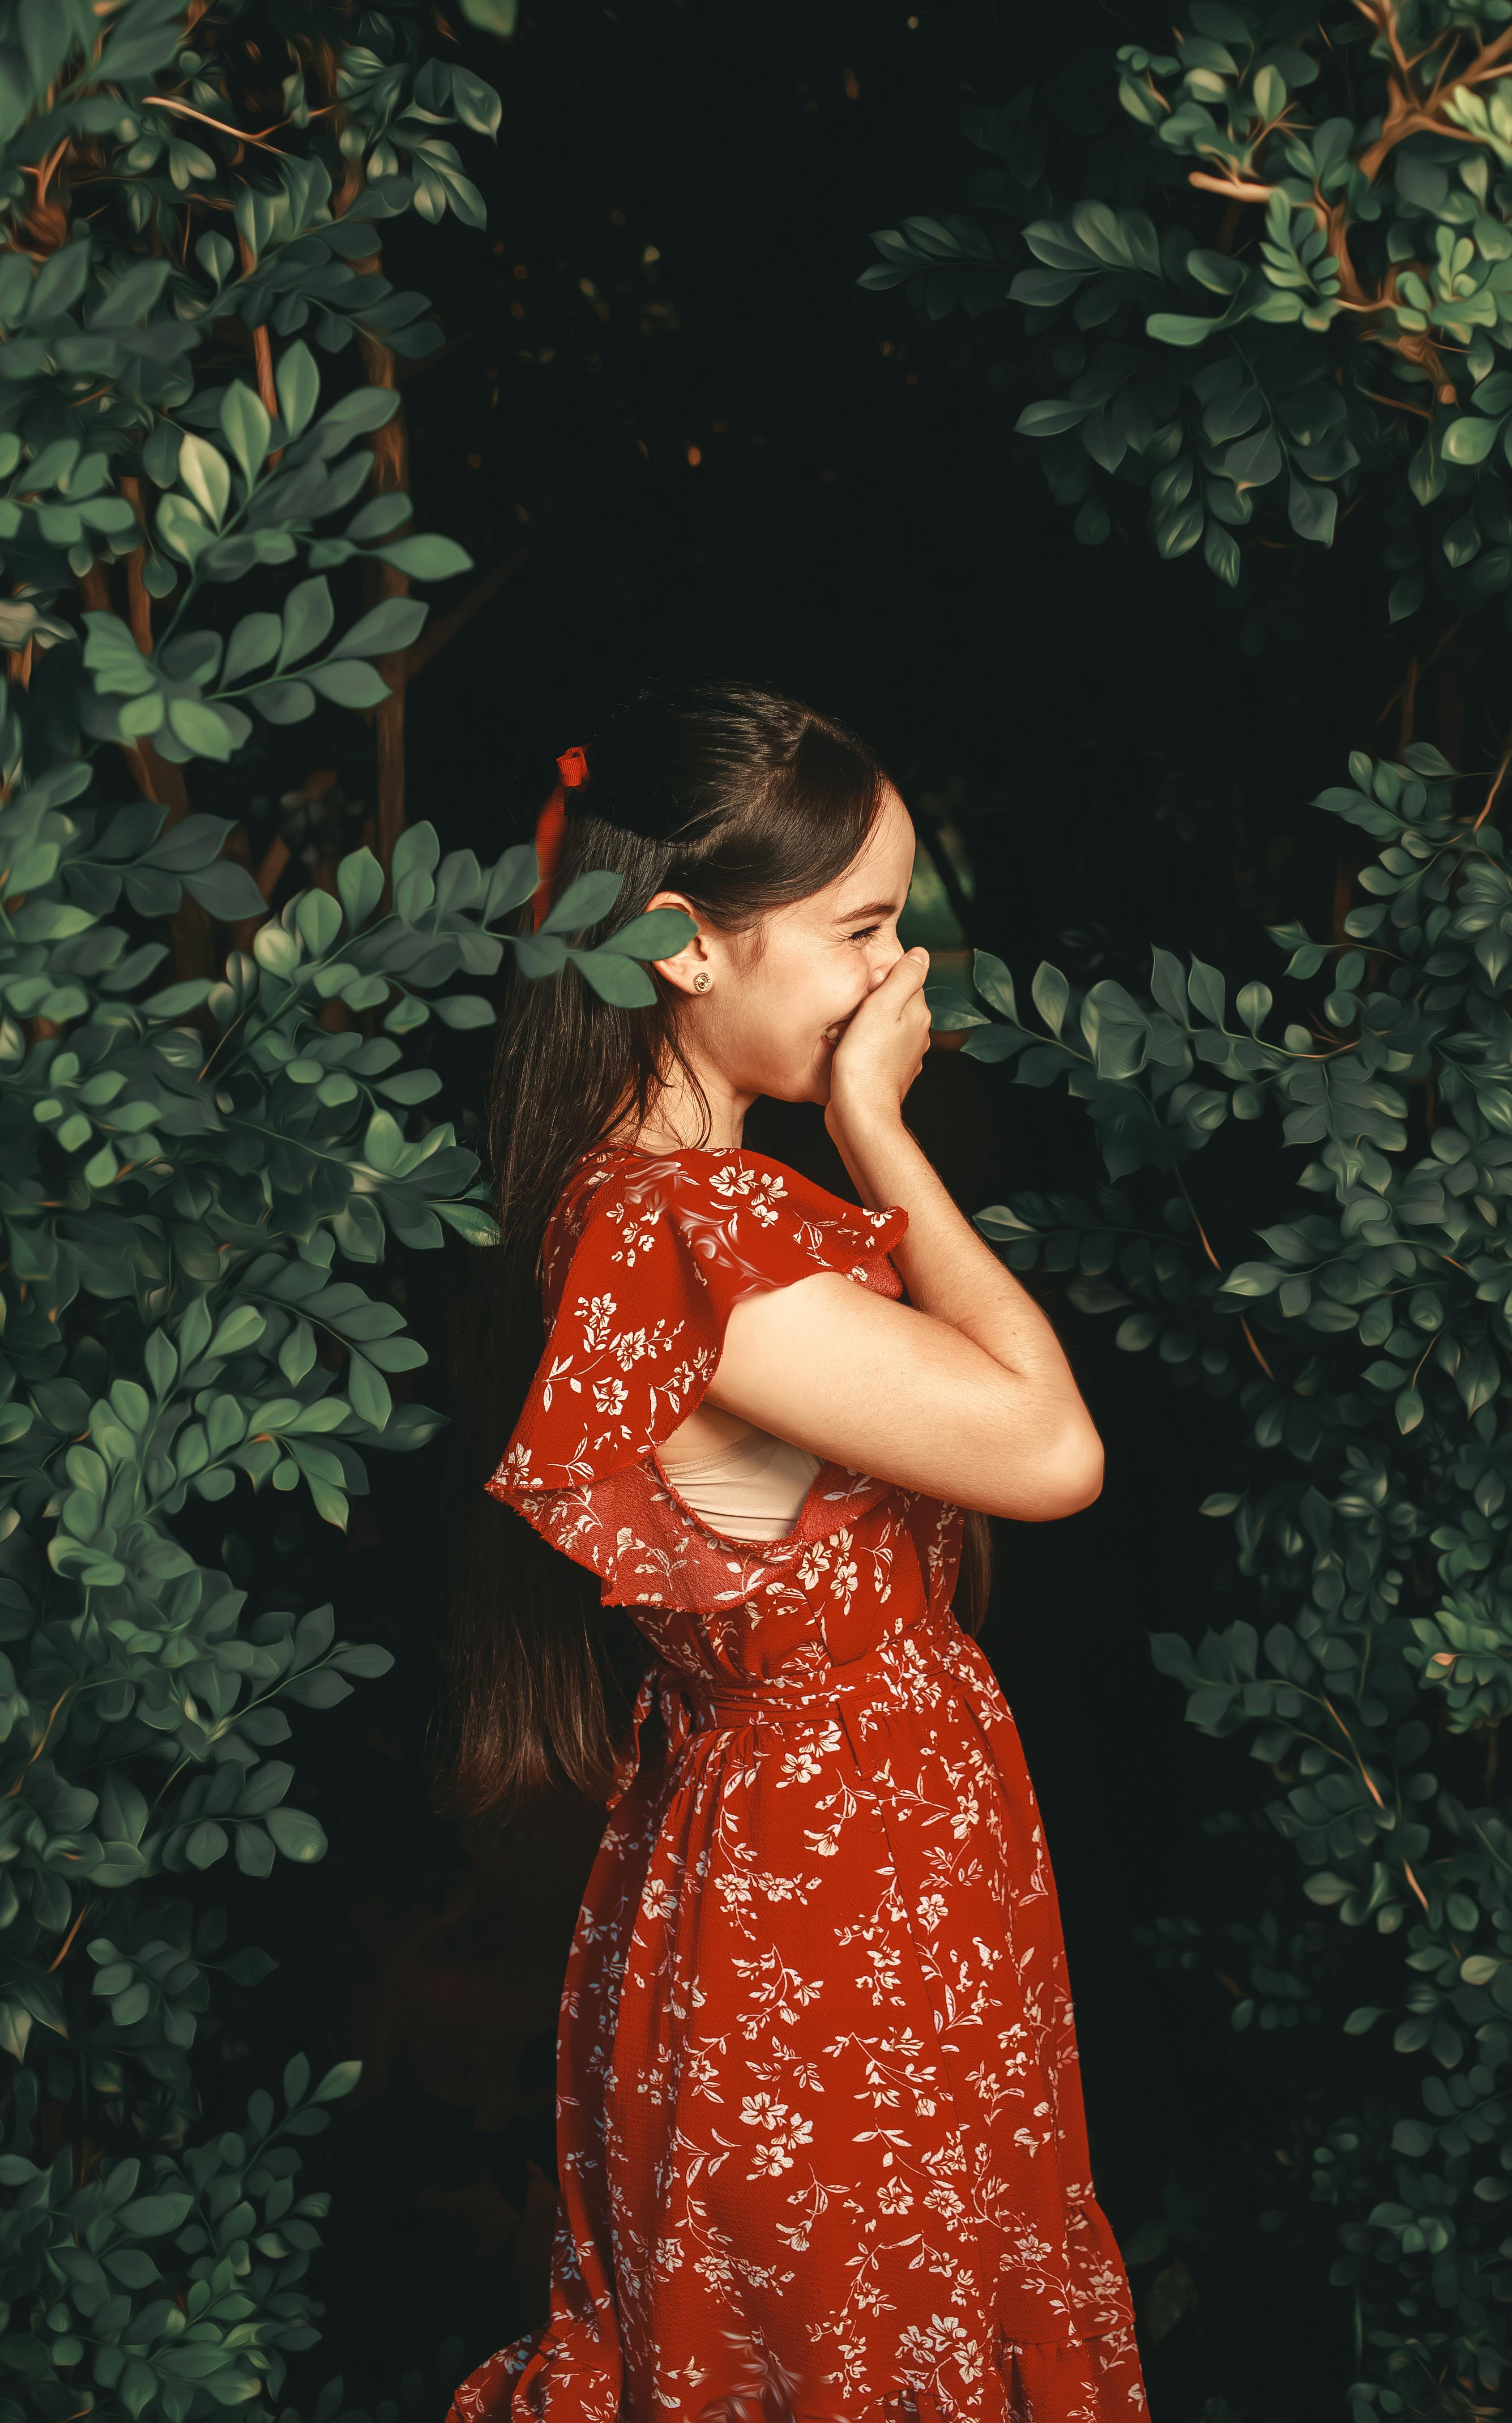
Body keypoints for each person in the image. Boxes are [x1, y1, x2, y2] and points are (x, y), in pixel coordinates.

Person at [444, 682, 1149, 2423]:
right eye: (860, 929)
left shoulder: (657, 1212)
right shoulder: (684, 1235)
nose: (897, 979)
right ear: (685, 946)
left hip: (828, 1869)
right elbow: (1050, 1449)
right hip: (829, 1910)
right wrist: (884, 1129)